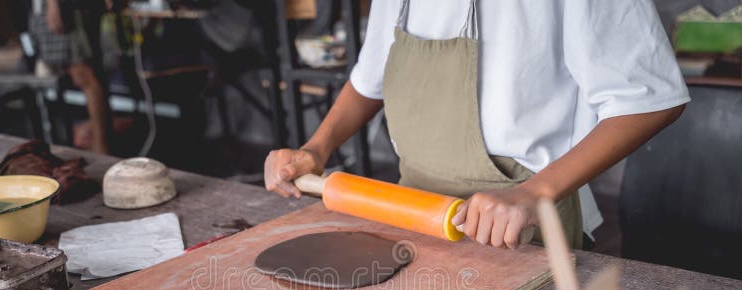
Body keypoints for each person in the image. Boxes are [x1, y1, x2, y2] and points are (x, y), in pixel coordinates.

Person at [263, 1, 689, 249]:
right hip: (415, 215)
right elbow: (369, 78)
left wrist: (534, 193)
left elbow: (649, 99)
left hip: (520, 227)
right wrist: (316, 149)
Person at [30, 0, 110, 154]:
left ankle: (102, 146)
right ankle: (101, 141)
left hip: (70, 6)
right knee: (84, 74)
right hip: (68, 7)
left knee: (84, 74)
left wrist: (53, 3)